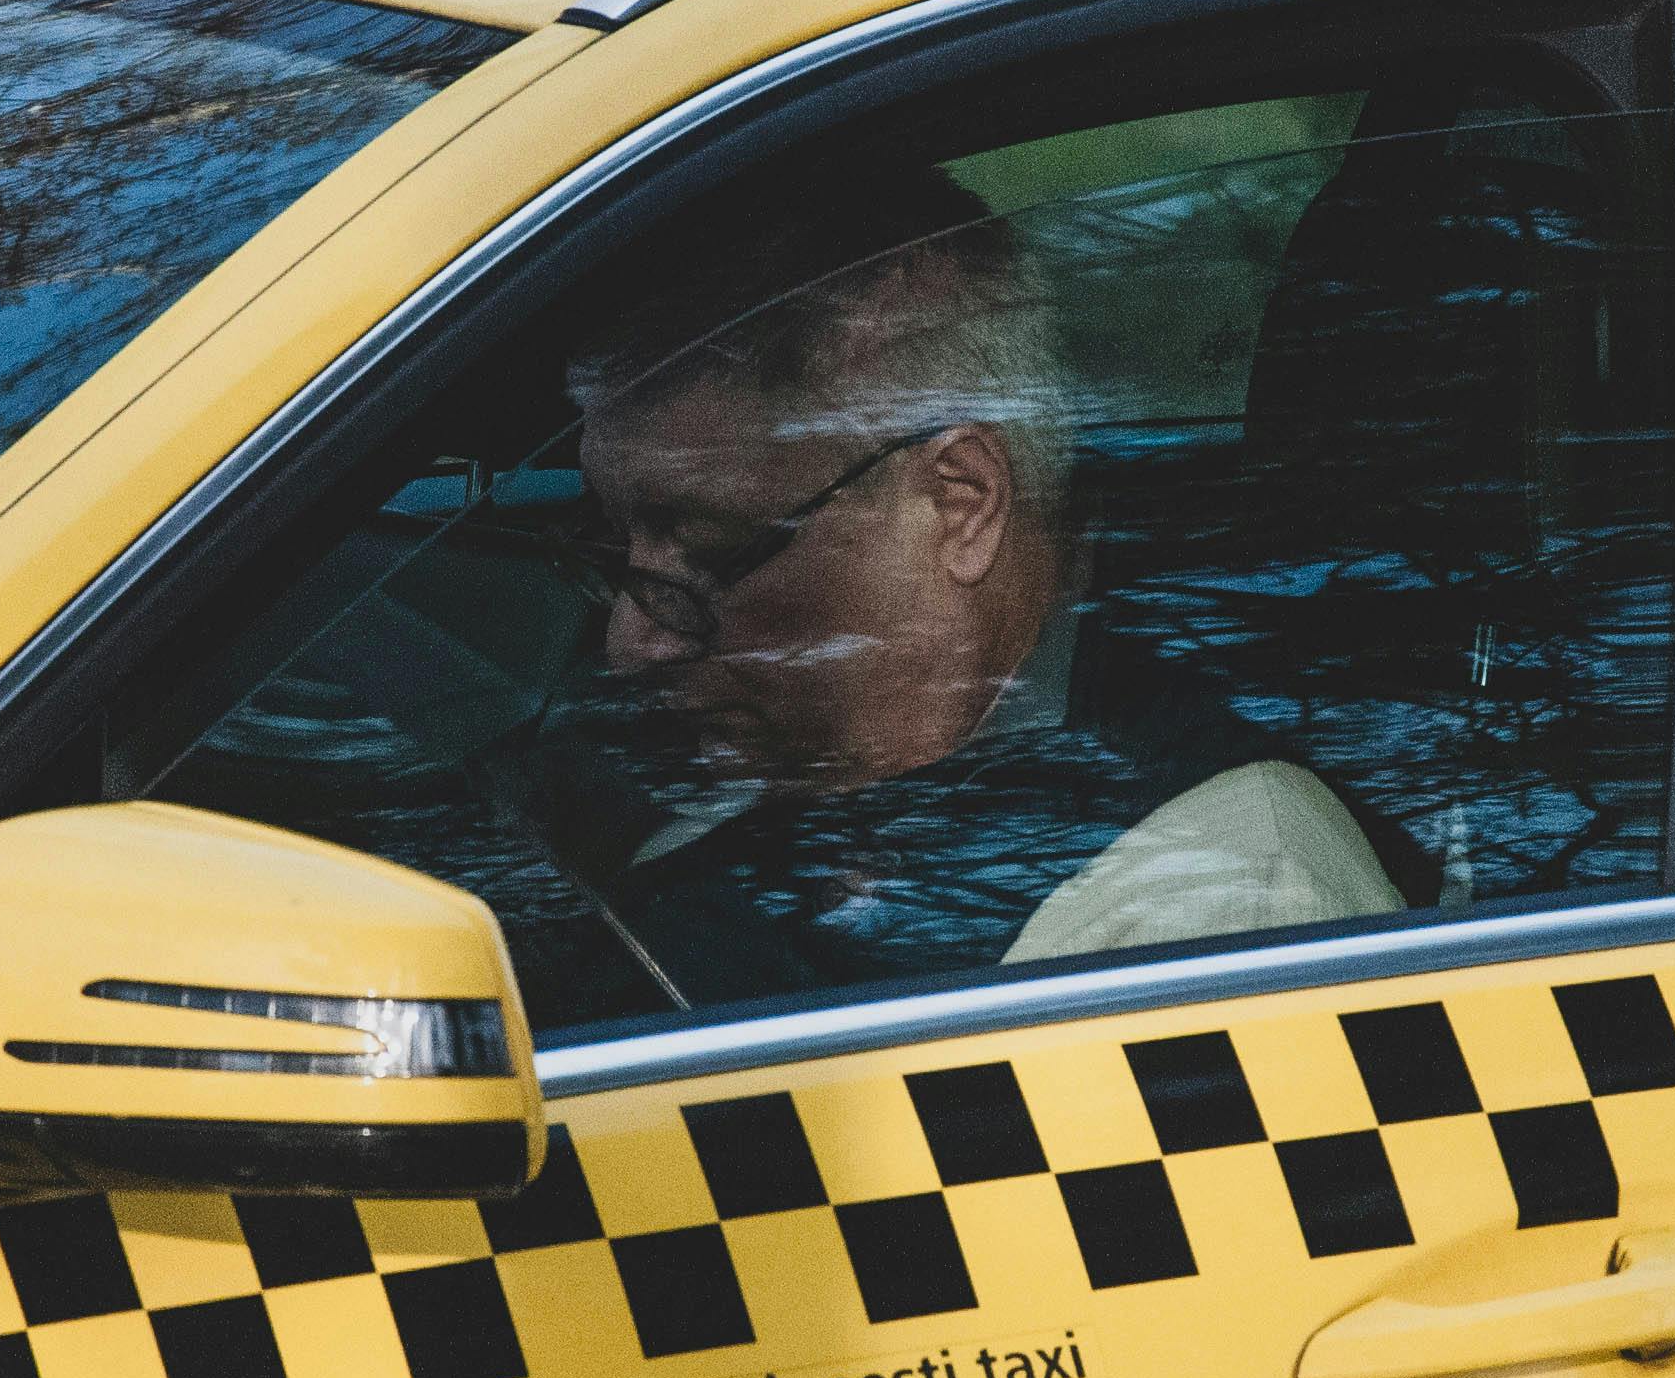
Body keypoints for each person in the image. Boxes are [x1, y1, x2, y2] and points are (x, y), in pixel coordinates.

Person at [528, 179, 1434, 1001]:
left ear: (960, 504)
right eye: (618, 551)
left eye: (707, 553)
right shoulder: (769, 788)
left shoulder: (1214, 911)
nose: (630, 641)